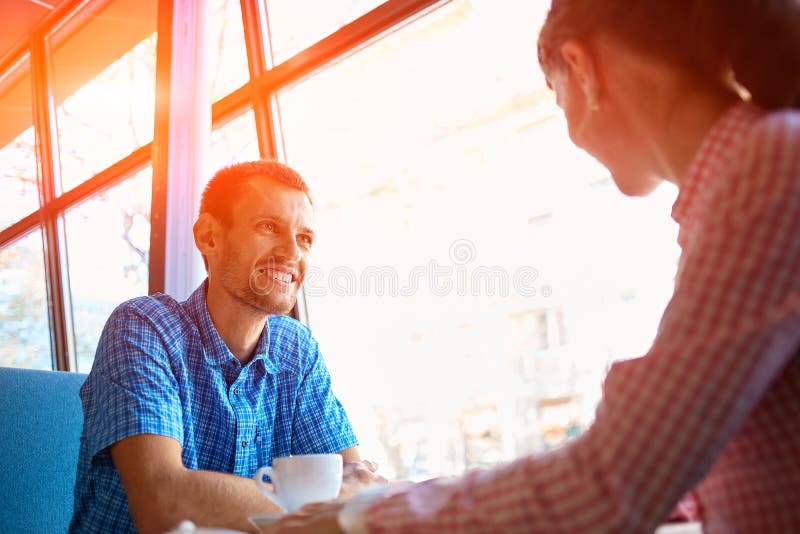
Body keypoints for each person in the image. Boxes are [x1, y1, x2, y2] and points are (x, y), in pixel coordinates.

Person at [263, 1, 800, 532]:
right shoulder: (748, 176)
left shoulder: (764, 171)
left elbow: (612, 483)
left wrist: (365, 516)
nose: (571, 131)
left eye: (557, 98)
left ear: (582, 70)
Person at [69, 160, 384, 534]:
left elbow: (354, 484)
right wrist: (330, 510)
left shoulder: (297, 350)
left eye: (304, 239)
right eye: (269, 227)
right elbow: (163, 501)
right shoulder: (143, 328)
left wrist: (346, 504)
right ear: (208, 237)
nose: (292, 253)